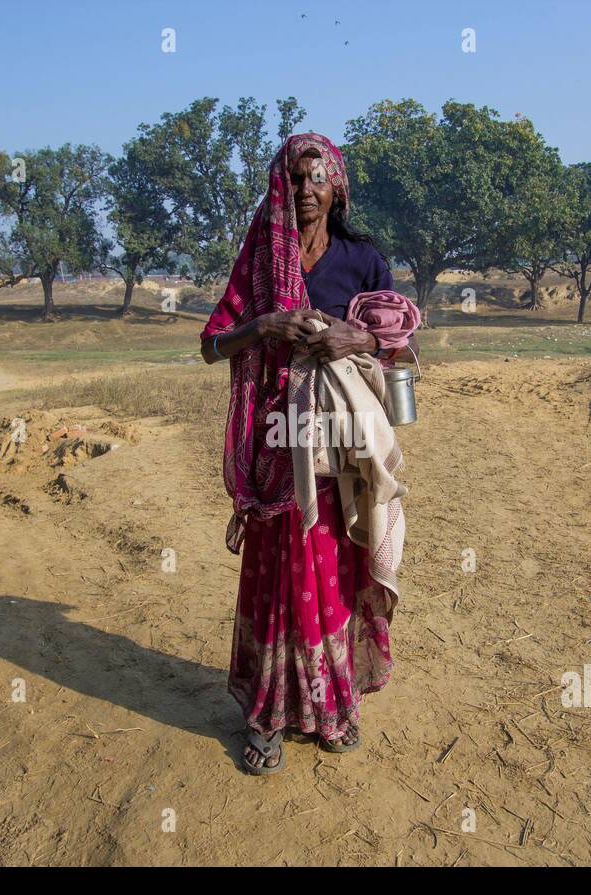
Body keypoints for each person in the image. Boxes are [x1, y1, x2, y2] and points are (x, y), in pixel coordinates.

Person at [200, 132, 418, 774]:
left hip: (342, 450)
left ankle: (331, 703)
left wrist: (358, 338)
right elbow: (211, 344)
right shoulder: (262, 259)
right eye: (293, 179)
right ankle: (269, 713)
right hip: (277, 447)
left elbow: (400, 346)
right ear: (278, 184)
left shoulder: (362, 260)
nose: (303, 191)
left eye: (315, 178)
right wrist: (264, 325)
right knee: (280, 574)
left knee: (333, 570)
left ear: (337, 185)